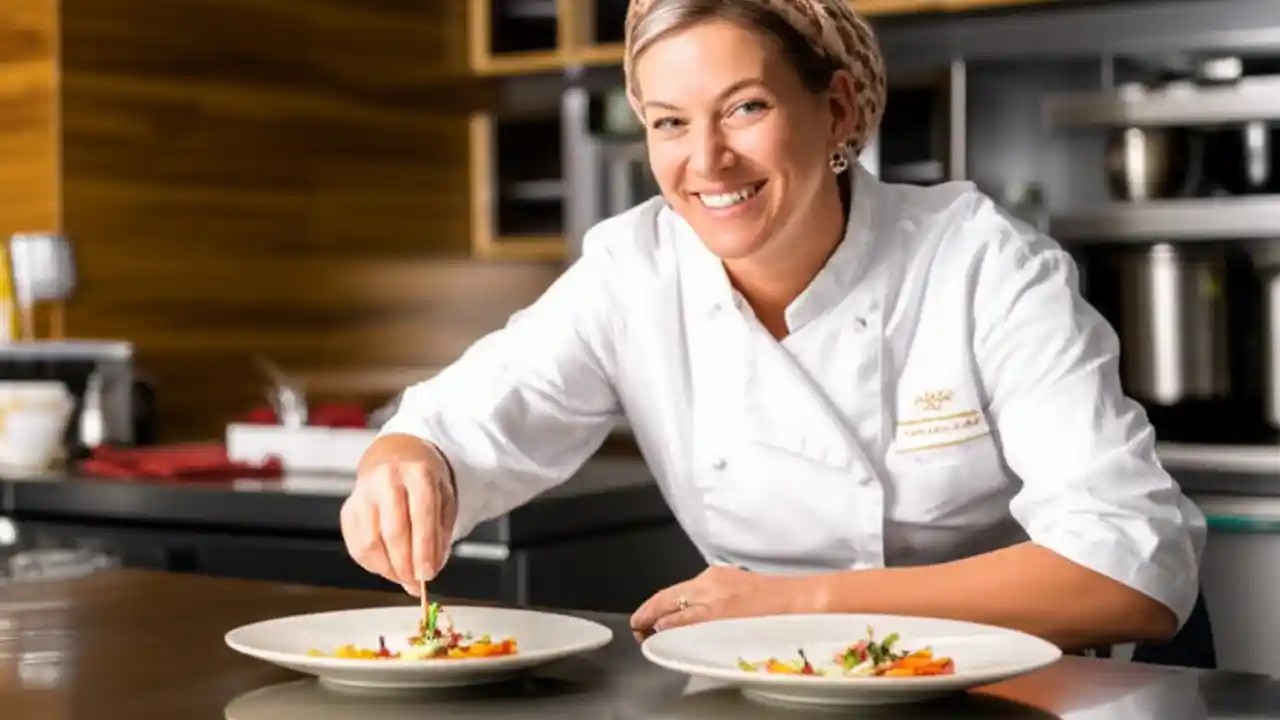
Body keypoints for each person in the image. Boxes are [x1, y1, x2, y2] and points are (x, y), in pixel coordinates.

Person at [341, 0, 1205, 652]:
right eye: (670, 123)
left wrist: (797, 602)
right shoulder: (634, 272)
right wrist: (409, 460)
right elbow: (464, 423)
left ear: (834, 111)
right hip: (777, 681)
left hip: (1019, 685)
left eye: (745, 108)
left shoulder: (980, 262)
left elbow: (1128, 565)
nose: (706, 161)